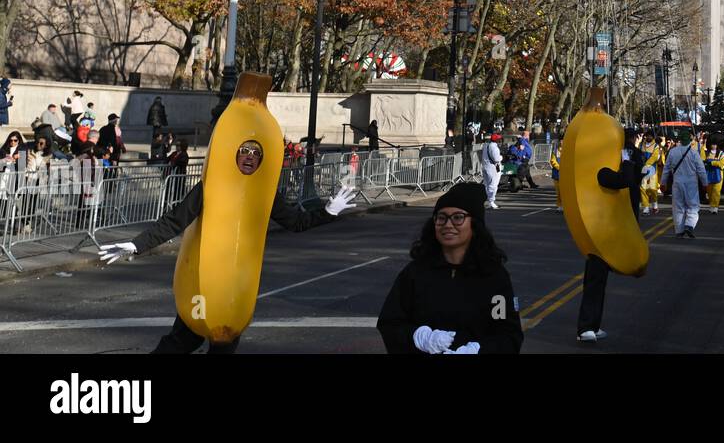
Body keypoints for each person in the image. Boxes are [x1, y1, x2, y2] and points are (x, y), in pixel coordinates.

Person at [98, 139, 357, 353]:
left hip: (236, 284)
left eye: (256, 152)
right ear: (233, 154)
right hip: (204, 279)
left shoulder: (266, 194)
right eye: (243, 150)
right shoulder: (209, 188)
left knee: (224, 342)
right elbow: (174, 222)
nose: (249, 156)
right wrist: (136, 245)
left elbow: (295, 222)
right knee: (184, 339)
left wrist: (328, 212)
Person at [376, 182, 523, 354]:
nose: (447, 224)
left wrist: (478, 351)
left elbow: (508, 335)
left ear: (474, 225)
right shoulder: (415, 273)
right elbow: (390, 322)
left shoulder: (494, 277)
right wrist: (418, 337)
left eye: (458, 217)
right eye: (441, 217)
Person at [577, 128, 642, 343]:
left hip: (609, 231)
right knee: (595, 281)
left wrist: (632, 161)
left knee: (600, 282)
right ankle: (585, 327)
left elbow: (631, 179)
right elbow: (622, 180)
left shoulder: (613, 165)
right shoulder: (601, 169)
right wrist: (626, 161)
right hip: (599, 232)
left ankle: (592, 326)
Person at [662, 133, 708, 238]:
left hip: (677, 182)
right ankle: (689, 225)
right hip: (691, 183)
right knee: (693, 206)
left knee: (678, 207)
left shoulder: (673, 152)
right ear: (690, 140)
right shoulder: (694, 153)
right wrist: (705, 183)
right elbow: (701, 170)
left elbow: (666, 169)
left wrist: (663, 183)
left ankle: (679, 230)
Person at [640, 132, 663, 215]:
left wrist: (646, 165)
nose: (648, 137)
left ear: (653, 137)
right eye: (647, 135)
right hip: (642, 169)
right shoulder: (641, 144)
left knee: (652, 188)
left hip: (652, 169)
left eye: (650, 136)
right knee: (643, 188)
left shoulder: (656, 146)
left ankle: (655, 204)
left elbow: (655, 157)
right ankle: (646, 207)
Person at [481, 133, 503, 208]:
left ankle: (488, 201)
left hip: (486, 166)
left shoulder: (485, 145)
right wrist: (501, 157)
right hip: (493, 168)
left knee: (487, 185)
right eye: (499, 139)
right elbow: (496, 159)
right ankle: (491, 201)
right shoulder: (494, 147)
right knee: (493, 185)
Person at [703, 140, 724, 214]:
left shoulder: (721, 154)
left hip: (718, 175)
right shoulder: (706, 153)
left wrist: (712, 162)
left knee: (716, 191)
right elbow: (702, 161)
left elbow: (722, 163)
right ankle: (711, 205)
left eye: (715, 144)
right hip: (709, 174)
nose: (713, 145)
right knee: (709, 191)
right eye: (712, 143)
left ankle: (715, 207)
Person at [550, 141, 563, 212]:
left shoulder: (568, 150)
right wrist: (559, 167)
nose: (562, 142)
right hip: (556, 174)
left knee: (565, 191)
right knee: (558, 192)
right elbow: (552, 161)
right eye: (561, 140)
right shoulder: (555, 151)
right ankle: (559, 205)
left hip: (565, 174)